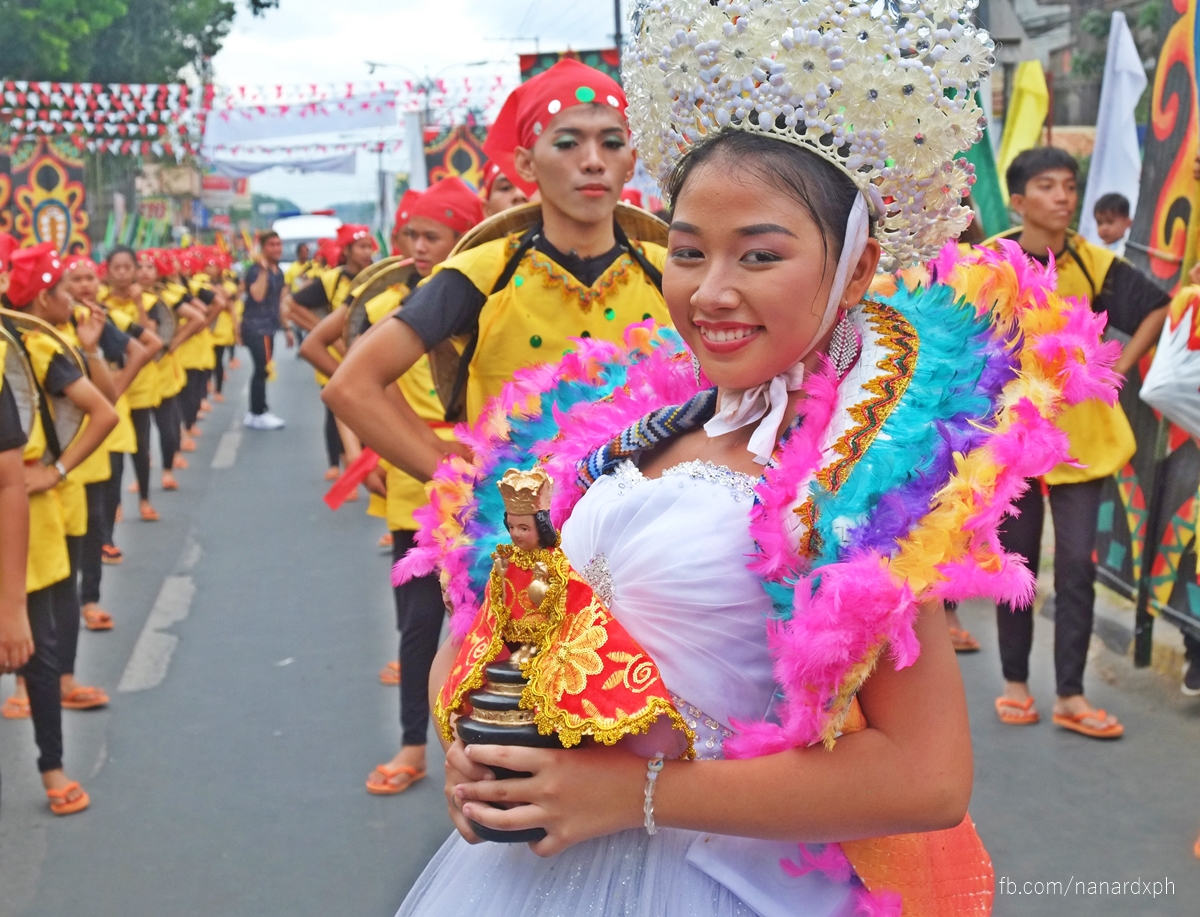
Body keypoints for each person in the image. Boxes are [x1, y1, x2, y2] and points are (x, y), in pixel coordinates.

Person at [387, 4, 1119, 912]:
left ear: (853, 272)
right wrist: (476, 747)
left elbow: (929, 778)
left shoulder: (855, 480)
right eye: (688, 252)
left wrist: (634, 795)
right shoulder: (614, 438)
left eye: (759, 254)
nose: (712, 290)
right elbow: (493, 622)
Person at [324, 59, 672, 482]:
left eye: (612, 143)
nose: (594, 161)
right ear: (526, 165)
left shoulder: (670, 271)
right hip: (516, 541)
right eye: (567, 144)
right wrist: (467, 493)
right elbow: (351, 386)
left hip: (649, 533)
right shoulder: (481, 274)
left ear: (631, 161)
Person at [306, 178, 485, 797]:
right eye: (410, 235)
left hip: (496, 492)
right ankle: (413, 744)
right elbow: (357, 383)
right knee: (417, 626)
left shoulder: (491, 301)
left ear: (465, 237)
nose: (416, 248)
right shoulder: (394, 314)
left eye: (430, 236)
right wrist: (377, 447)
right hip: (421, 485)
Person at [985, 147, 1170, 739]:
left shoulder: (1094, 264)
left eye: (1069, 186)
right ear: (1019, 200)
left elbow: (1158, 309)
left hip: (1081, 441)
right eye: (1047, 186)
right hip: (1012, 439)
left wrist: (1112, 371)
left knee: (1075, 567)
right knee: (1016, 566)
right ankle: (1015, 682)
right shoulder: (991, 261)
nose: (1063, 197)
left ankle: (1069, 693)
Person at [1, 242, 118, 815]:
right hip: (38, 497)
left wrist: (57, 469)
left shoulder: (29, 348)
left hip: (32, 505)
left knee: (38, 640)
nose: (80, 295)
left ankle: (51, 766)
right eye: (68, 287)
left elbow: (108, 405)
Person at [290, 224, 378, 475]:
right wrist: (325, 333)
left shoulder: (379, 277)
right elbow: (293, 306)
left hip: (368, 355)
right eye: (360, 247)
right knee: (336, 408)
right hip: (336, 355)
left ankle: (360, 466)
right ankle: (337, 464)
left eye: (368, 246)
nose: (366, 252)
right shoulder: (332, 279)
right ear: (347, 250)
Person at [97, 247, 165, 523]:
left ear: (136, 270)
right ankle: (115, 503)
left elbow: (153, 337)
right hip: (112, 384)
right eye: (117, 267)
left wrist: (138, 305)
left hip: (141, 382)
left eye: (128, 267)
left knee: (141, 444)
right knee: (114, 449)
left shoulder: (149, 301)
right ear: (108, 271)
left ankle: (145, 499)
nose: (123, 272)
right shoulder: (100, 303)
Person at [242, 231, 287, 430]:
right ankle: (258, 412)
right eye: (272, 245)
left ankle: (256, 412)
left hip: (270, 327)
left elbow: (281, 302)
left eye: (279, 244)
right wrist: (262, 271)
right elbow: (257, 295)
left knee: (263, 369)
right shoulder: (255, 270)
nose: (277, 249)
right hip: (255, 327)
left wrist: (287, 328)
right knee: (262, 369)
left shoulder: (280, 271)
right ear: (263, 247)